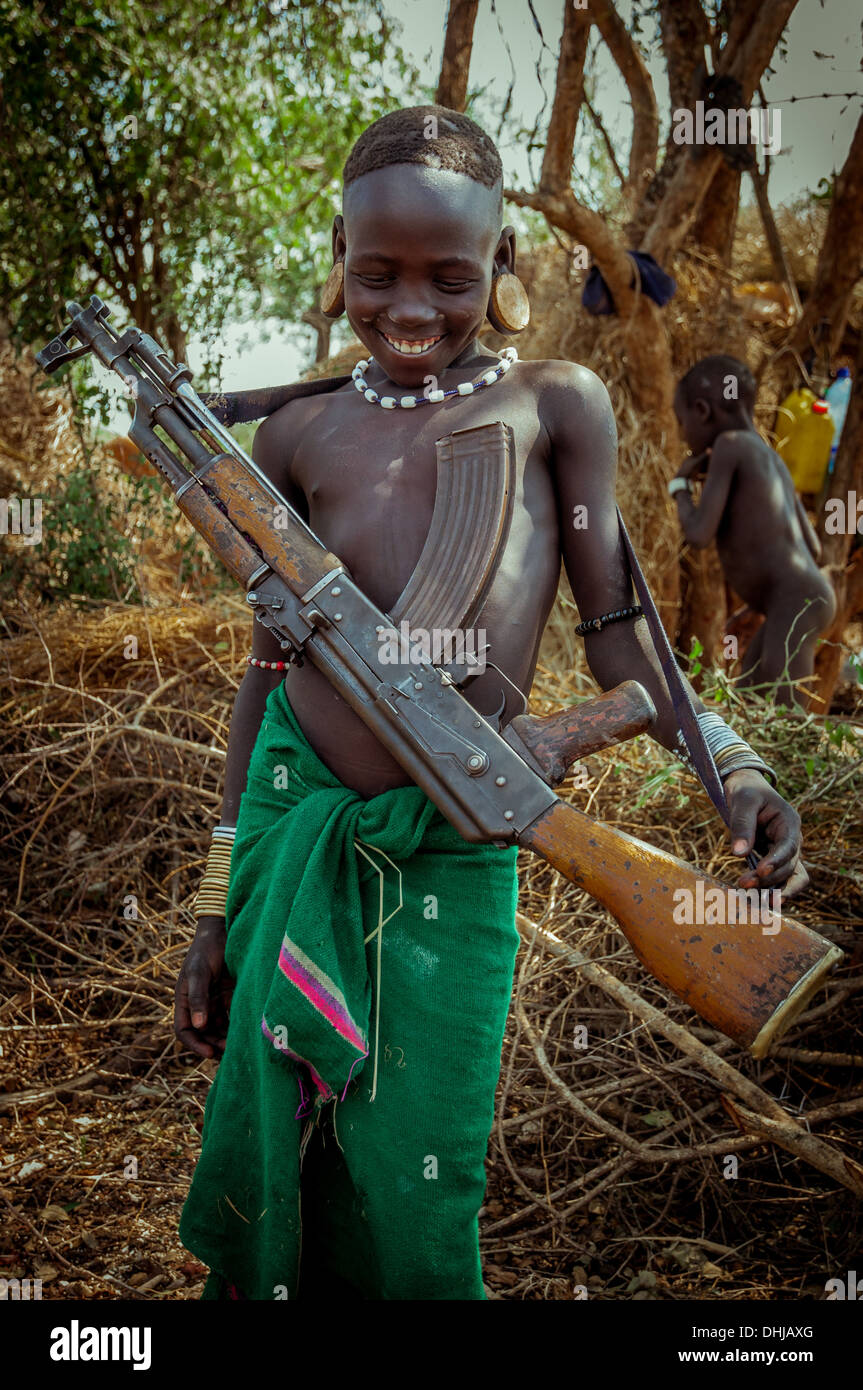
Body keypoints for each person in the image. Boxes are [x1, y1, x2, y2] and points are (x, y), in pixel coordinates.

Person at [174, 108, 808, 1301]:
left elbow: (624, 641)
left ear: (505, 266)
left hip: (456, 856)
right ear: (337, 253)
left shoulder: (555, 404)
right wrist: (214, 907)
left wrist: (732, 771)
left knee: (420, 1191)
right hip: (286, 829)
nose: (410, 311)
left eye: (450, 279)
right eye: (378, 276)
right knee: (269, 1177)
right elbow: (262, 676)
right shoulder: (296, 430)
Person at [670, 355, 836, 707]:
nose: (683, 434)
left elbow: (699, 534)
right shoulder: (770, 457)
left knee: (782, 714)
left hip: (795, 602)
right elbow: (815, 551)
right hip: (799, 599)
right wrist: (760, 601)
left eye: (681, 422)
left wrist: (681, 486)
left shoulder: (729, 446)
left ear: (701, 411)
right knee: (751, 700)